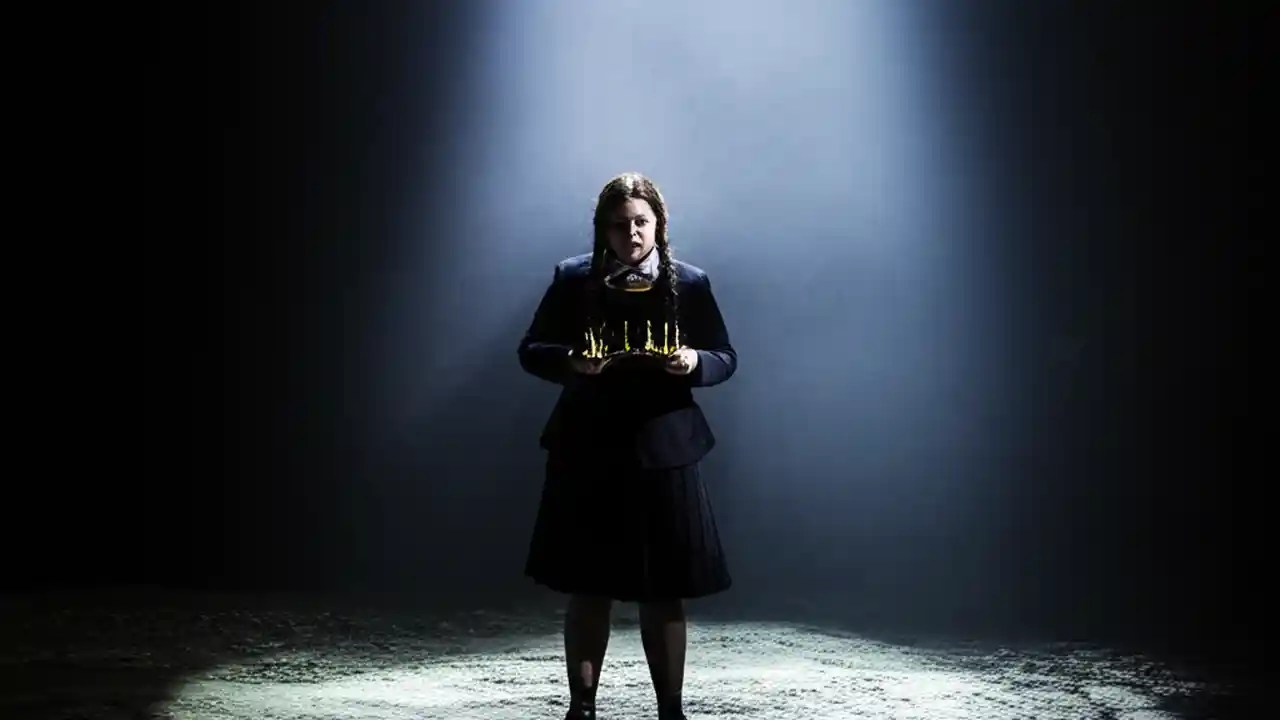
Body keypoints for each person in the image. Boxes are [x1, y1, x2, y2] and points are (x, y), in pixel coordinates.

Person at [518, 172, 737, 720]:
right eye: (620, 225)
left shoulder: (690, 282)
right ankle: (582, 709)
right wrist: (571, 360)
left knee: (663, 588)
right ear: (603, 229)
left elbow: (725, 356)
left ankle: (671, 711)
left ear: (659, 225)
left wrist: (694, 362)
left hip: (666, 449)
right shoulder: (573, 278)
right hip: (587, 448)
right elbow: (530, 348)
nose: (632, 234)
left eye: (642, 222)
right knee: (588, 586)